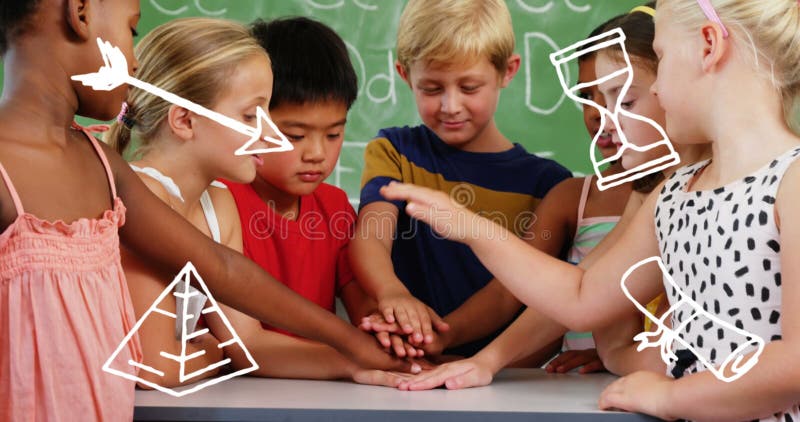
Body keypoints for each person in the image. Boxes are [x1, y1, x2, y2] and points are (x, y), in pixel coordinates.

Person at [382, 0, 800, 419]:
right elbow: (580, 294)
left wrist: (668, 397)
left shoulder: (793, 179)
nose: (656, 88)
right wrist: (469, 226)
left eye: (662, 57)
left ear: (709, 46)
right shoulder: (674, 195)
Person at [0, 1, 412, 419]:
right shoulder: (117, 184)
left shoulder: (154, 183)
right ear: (80, 12)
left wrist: (352, 353)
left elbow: (228, 283)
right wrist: (222, 351)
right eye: (252, 115)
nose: (136, 60)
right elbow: (158, 363)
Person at [351, 0, 571, 360]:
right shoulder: (395, 150)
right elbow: (371, 236)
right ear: (405, 75)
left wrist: (443, 340)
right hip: (409, 367)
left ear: (507, 71)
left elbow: (511, 294)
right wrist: (392, 292)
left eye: (469, 88)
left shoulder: (549, 186)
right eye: (432, 89)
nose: (451, 105)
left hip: (507, 378)